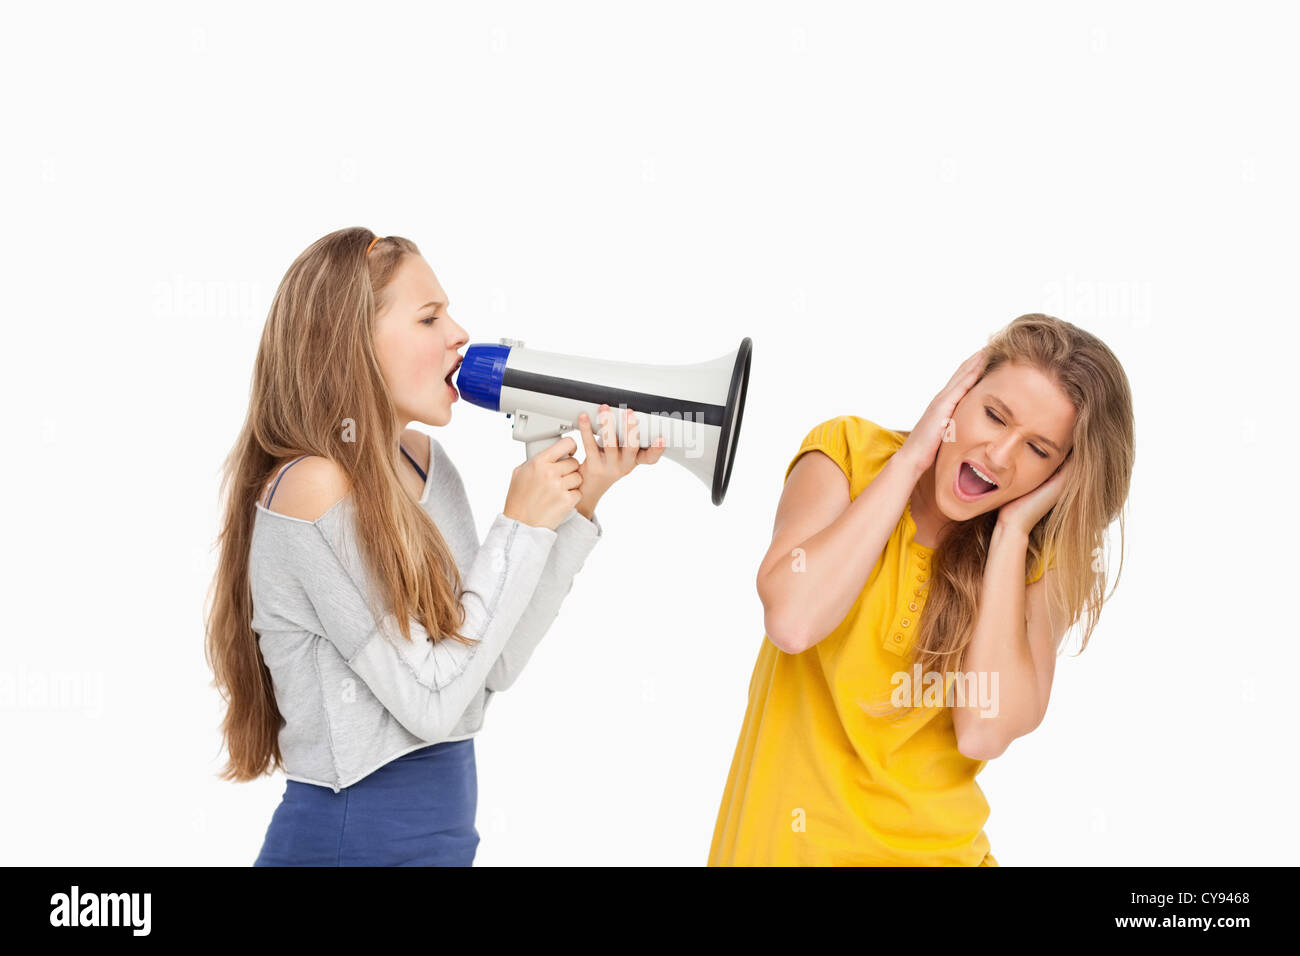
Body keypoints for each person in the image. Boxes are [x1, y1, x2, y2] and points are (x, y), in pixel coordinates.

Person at [204, 227, 664, 866]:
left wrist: (576, 505)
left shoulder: (425, 464)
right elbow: (430, 704)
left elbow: (486, 667)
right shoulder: (312, 488)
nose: (459, 334)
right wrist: (518, 524)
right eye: (429, 317)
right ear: (351, 342)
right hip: (348, 847)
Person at [709, 313, 1135, 866]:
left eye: (1038, 450)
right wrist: (912, 459)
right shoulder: (848, 456)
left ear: (1062, 475)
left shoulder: (1039, 561)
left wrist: (1011, 532)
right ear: (958, 392)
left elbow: (983, 731)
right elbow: (793, 619)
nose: (999, 456)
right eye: (993, 415)